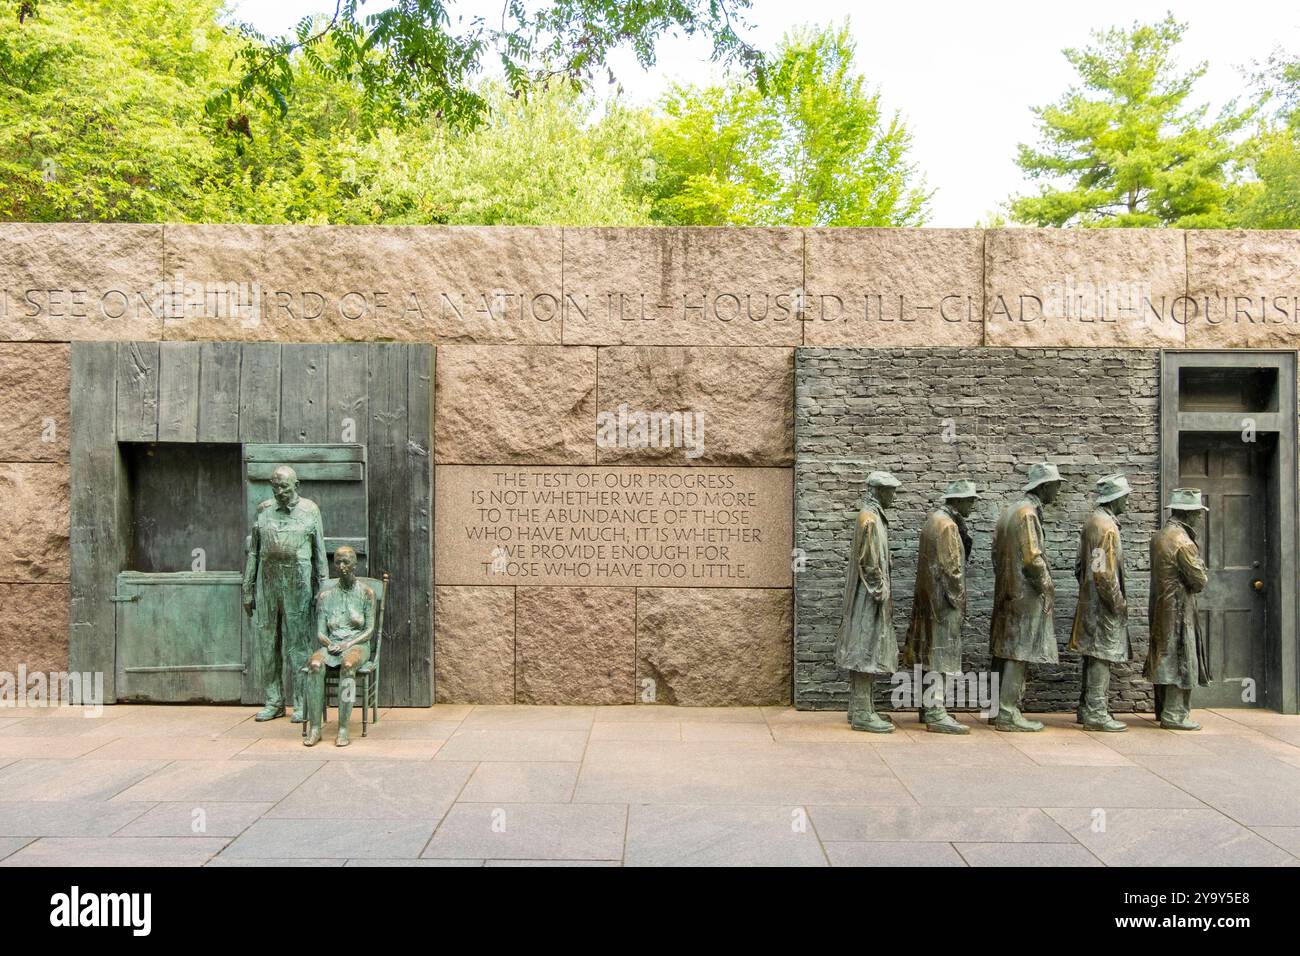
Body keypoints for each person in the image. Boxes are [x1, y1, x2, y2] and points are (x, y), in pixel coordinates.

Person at [242, 465, 327, 722]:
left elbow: (320, 552)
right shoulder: (264, 511)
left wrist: (322, 589)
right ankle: (274, 701)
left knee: (298, 645)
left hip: (298, 583)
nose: (279, 491)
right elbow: (254, 552)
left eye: (284, 487)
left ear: (296, 486)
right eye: (275, 486)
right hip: (267, 582)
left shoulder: (310, 510)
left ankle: (302, 703)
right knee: (268, 643)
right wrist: (247, 589)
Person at [989, 462, 1062, 732]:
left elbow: (995, 552)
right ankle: (1008, 712)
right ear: (1043, 486)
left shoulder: (1009, 511)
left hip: (1008, 591)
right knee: (1018, 653)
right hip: (1025, 594)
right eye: (1056, 485)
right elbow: (1032, 558)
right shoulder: (1027, 514)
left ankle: (997, 710)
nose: (1058, 491)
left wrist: (1005, 581)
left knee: (1005, 651)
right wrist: (1047, 586)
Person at [904, 479, 979, 735]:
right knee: (941, 655)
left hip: (930, 599)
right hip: (943, 602)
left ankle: (928, 707)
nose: (973, 505)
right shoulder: (947, 526)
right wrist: (959, 602)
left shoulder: (934, 520)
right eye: (970, 500)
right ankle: (936, 711)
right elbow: (952, 570)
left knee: (931, 653)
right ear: (957, 501)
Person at [836, 471, 901, 733]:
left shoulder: (874, 517)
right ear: (877, 491)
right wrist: (880, 593)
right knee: (866, 650)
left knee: (867, 649)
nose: (894, 495)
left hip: (868, 596)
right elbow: (869, 562)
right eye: (890, 491)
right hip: (868, 599)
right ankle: (862, 713)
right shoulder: (870, 519)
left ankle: (861, 708)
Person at [1069, 474, 1133, 732]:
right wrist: (1117, 602)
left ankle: (1087, 708)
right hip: (1102, 604)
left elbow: (1079, 567)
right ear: (1115, 499)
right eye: (1125, 497)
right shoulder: (1105, 527)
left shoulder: (1092, 523)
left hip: (1092, 600)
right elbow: (1102, 572)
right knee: (1101, 656)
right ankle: (1096, 711)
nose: (1128, 502)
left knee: (1094, 654)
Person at [1146, 488, 1211, 731]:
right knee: (1180, 657)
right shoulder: (1183, 541)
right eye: (1198, 513)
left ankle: (1163, 708)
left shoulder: (1160, 535)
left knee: (1165, 654)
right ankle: (1174, 714)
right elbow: (1199, 580)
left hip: (1161, 606)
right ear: (1188, 514)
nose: (1200, 519)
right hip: (1179, 610)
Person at [304, 546, 377, 747]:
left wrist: (348, 643)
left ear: (355, 564)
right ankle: (315, 728)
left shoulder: (366, 593)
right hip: (332, 645)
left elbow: (370, 629)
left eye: (346, 562)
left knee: (348, 664)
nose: (342, 566)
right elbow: (320, 632)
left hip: (358, 645)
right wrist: (330, 644)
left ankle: (343, 727)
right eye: (338, 562)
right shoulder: (326, 597)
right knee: (315, 664)